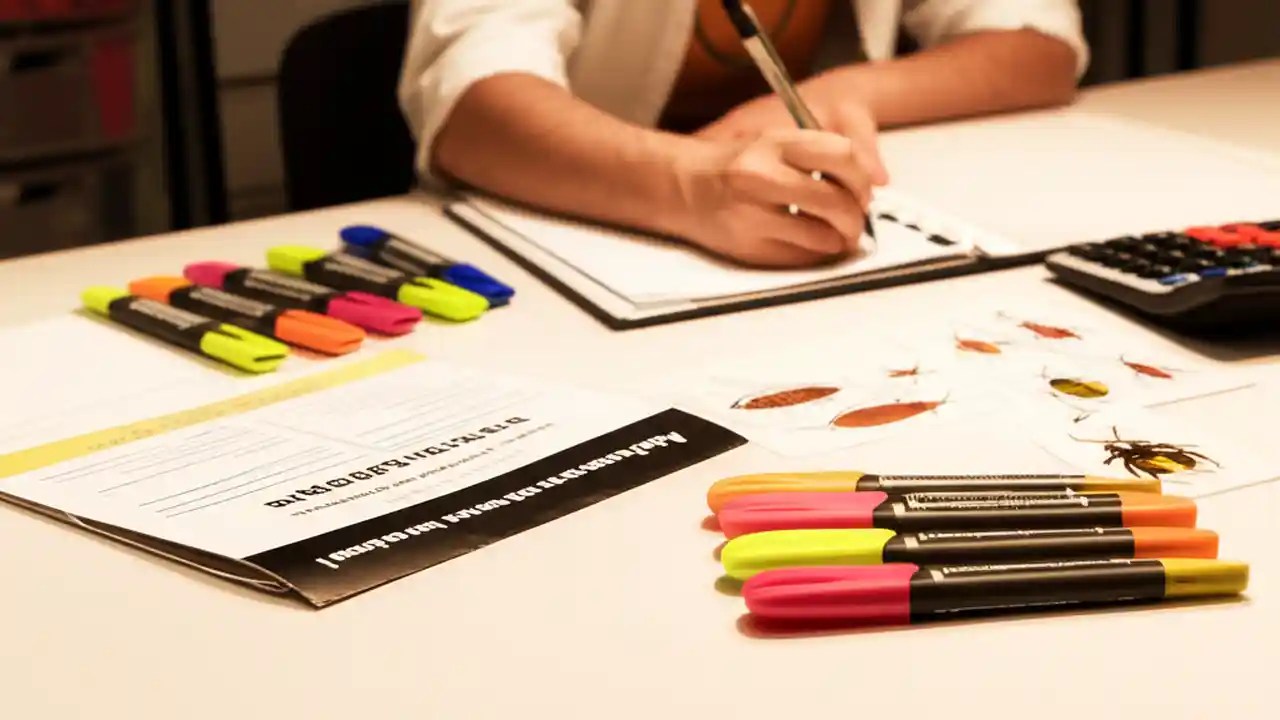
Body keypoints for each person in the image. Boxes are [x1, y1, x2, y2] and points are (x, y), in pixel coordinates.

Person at [398, 0, 1088, 268]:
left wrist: (842, 93)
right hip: (556, 255)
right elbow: (471, 103)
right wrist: (687, 185)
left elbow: (1037, 43)